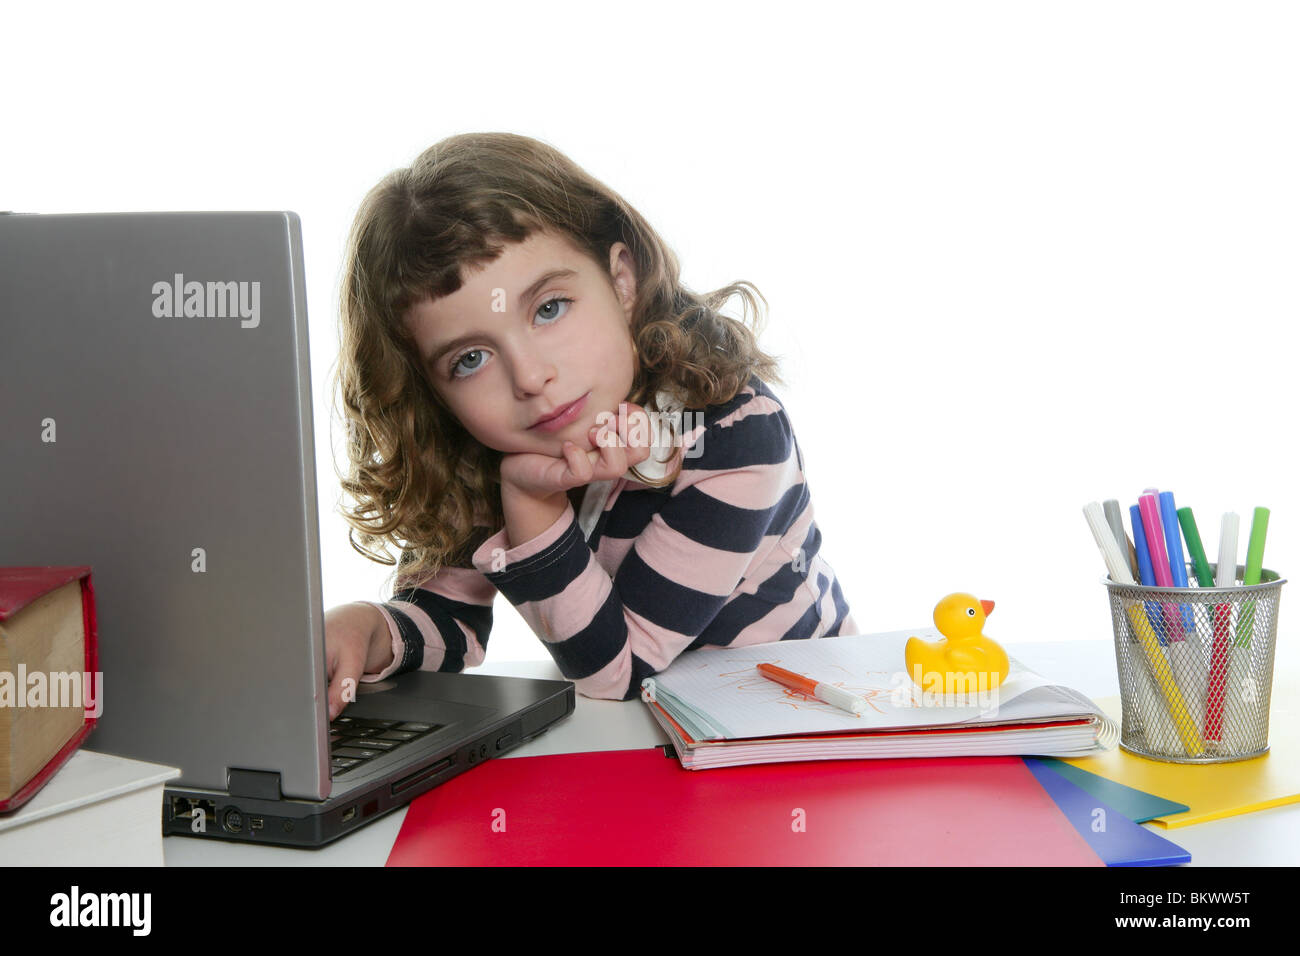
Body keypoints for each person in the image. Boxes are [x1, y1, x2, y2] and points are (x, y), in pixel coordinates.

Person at [324, 132, 856, 719]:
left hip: (795, 724)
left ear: (621, 281)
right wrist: (369, 628)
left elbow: (617, 671)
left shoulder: (734, 430)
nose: (530, 377)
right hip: (642, 737)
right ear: (433, 392)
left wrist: (533, 502)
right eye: (469, 359)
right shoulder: (487, 447)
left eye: (548, 309)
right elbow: (448, 620)